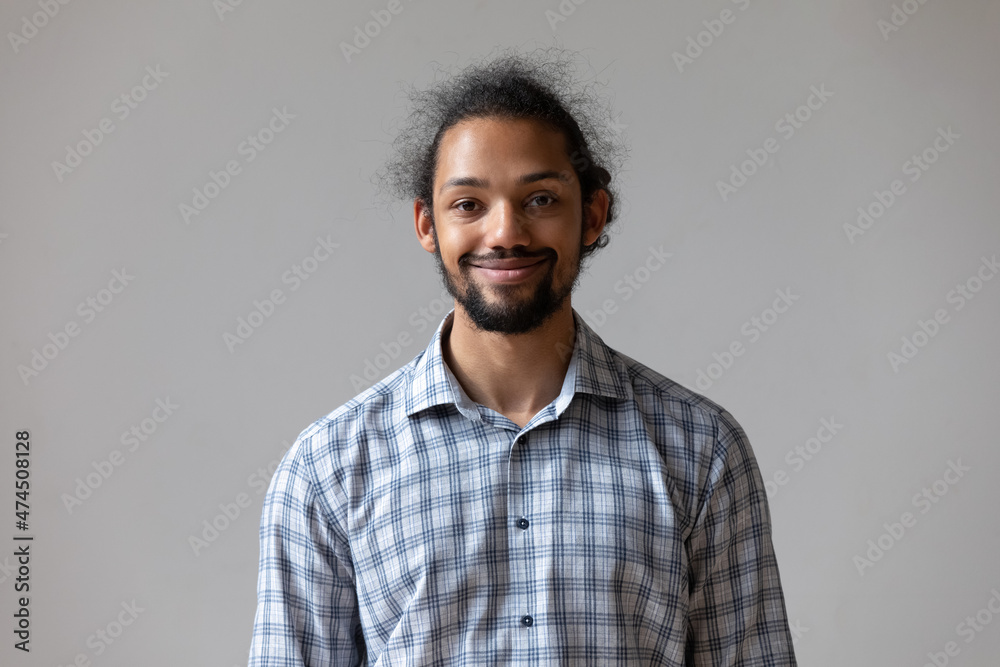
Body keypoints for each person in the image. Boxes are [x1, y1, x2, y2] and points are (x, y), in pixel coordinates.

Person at [249, 48, 797, 666]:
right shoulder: (327, 469)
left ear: (592, 215)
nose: (505, 232)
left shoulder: (701, 449)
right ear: (428, 225)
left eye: (539, 199)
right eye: (469, 204)